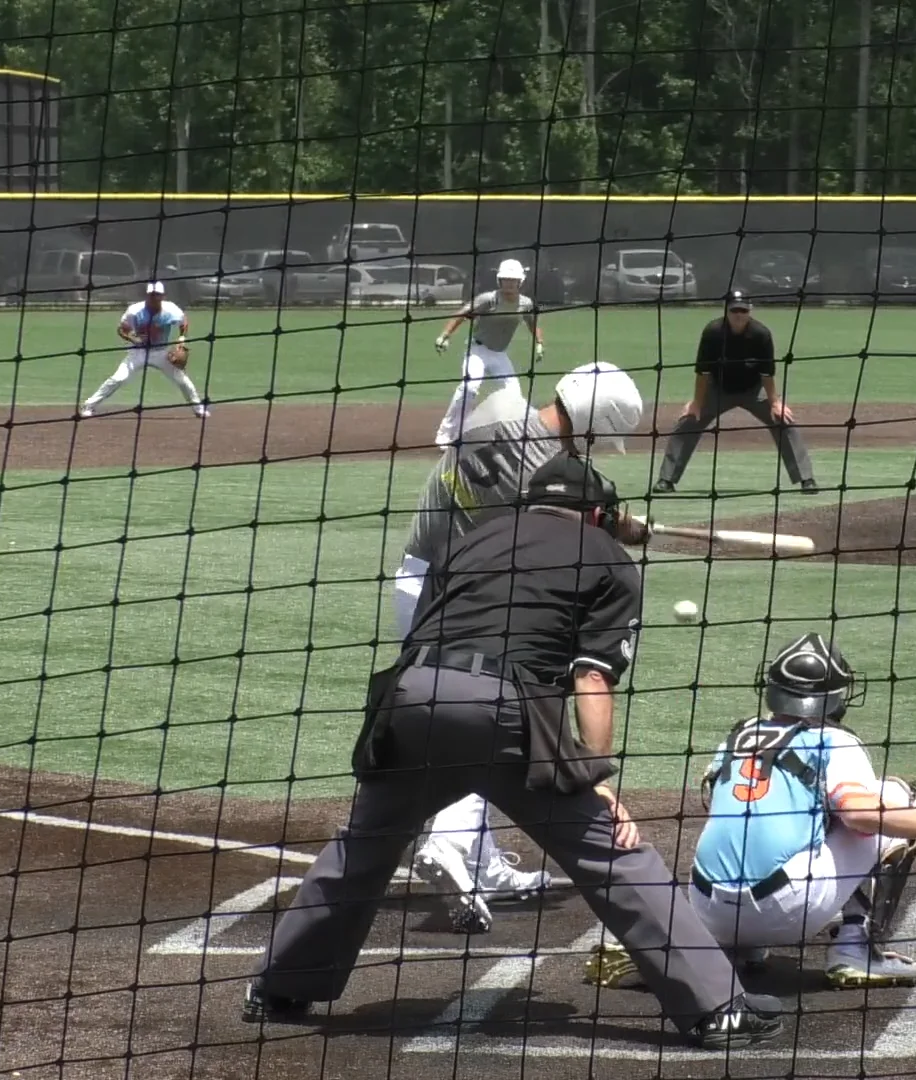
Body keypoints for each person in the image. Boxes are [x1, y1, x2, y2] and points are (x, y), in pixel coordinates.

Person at [243, 454, 786, 1050]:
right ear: (598, 513)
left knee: (363, 846)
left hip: (410, 697)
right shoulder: (608, 558)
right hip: (502, 712)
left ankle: (279, 987)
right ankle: (717, 1010)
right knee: (614, 857)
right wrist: (597, 779)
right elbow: (592, 677)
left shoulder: (476, 538)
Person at [584, 633, 916, 991]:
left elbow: (718, 803)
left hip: (708, 905)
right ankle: (855, 949)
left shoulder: (739, 734)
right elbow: (861, 816)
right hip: (786, 910)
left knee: (766, 825)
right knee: (899, 797)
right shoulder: (835, 741)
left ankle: (701, 944)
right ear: (837, 697)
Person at [394, 360, 647, 933]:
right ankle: (454, 842)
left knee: (454, 716)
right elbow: (554, 523)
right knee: (502, 712)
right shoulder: (540, 462)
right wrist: (618, 527)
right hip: (458, 597)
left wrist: (611, 520)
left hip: (434, 579)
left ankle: (475, 856)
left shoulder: (504, 409)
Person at [652, 290, 817, 496]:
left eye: (743, 310)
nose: (739, 314)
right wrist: (696, 403)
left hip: (753, 389)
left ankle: (806, 479)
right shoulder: (713, 332)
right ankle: (666, 480)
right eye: (734, 310)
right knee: (688, 421)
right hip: (718, 389)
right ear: (727, 311)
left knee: (783, 420)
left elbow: (767, 374)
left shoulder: (761, 334)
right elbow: (703, 372)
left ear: (750, 311)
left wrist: (775, 402)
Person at [433, 258, 545, 448]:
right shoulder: (488, 299)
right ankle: (446, 435)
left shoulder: (525, 303)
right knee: (469, 387)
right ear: (499, 281)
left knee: (513, 395)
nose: (509, 283)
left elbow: (532, 322)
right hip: (477, 350)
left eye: (513, 279)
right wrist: (445, 335)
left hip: (499, 354)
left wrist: (539, 343)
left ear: (520, 282)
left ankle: (512, 435)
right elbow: (463, 313)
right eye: (506, 279)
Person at [80, 281, 208, 418]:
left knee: (182, 380)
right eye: (152, 295)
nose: (154, 297)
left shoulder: (171, 309)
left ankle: (198, 409)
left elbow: (183, 322)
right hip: (138, 352)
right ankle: (89, 405)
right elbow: (122, 330)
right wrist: (133, 339)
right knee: (118, 378)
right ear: (147, 295)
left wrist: (182, 340)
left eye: (157, 295)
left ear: (163, 296)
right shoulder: (134, 311)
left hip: (161, 352)